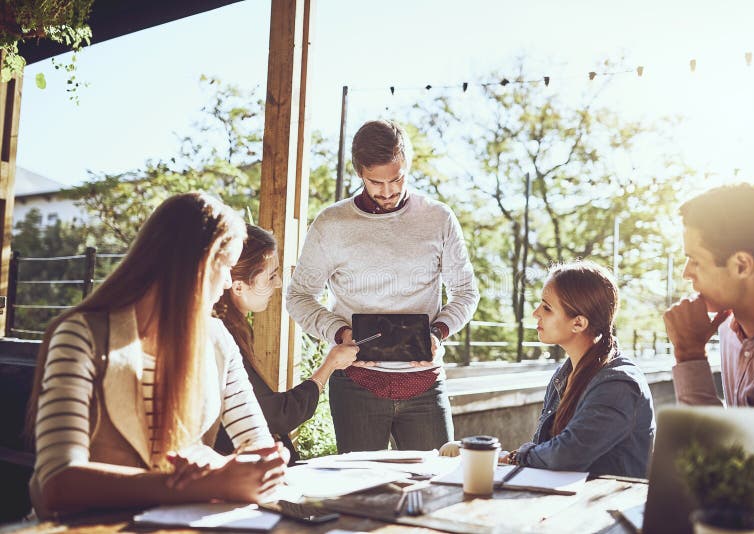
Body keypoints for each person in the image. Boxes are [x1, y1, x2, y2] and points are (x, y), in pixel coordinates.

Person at [26, 193, 287, 519]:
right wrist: (205, 484)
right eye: (226, 268)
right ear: (198, 264)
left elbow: (261, 450)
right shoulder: (82, 335)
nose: (227, 283)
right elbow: (57, 483)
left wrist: (219, 463)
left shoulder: (219, 340)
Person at [286, 119, 479, 453]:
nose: (388, 191)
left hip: (425, 384)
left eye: (397, 178)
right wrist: (339, 333)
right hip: (355, 384)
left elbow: (466, 292)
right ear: (359, 172)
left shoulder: (439, 218)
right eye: (376, 182)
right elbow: (299, 296)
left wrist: (438, 334)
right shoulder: (331, 224)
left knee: (436, 486)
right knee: (361, 495)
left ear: (408, 165)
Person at [213, 224, 359, 463]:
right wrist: (329, 365)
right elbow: (275, 415)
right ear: (237, 286)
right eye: (271, 276)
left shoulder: (234, 326)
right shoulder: (221, 334)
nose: (279, 282)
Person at [500, 261, 655, 478]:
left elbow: (566, 455)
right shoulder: (563, 376)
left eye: (546, 307)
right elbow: (546, 451)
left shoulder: (618, 383)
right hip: (567, 499)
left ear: (578, 323)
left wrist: (515, 458)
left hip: (605, 507)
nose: (536, 313)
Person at [663, 183, 754, 407]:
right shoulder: (728, 329)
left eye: (696, 261)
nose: (686, 274)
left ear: (742, 266)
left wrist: (690, 355)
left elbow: (733, 444)